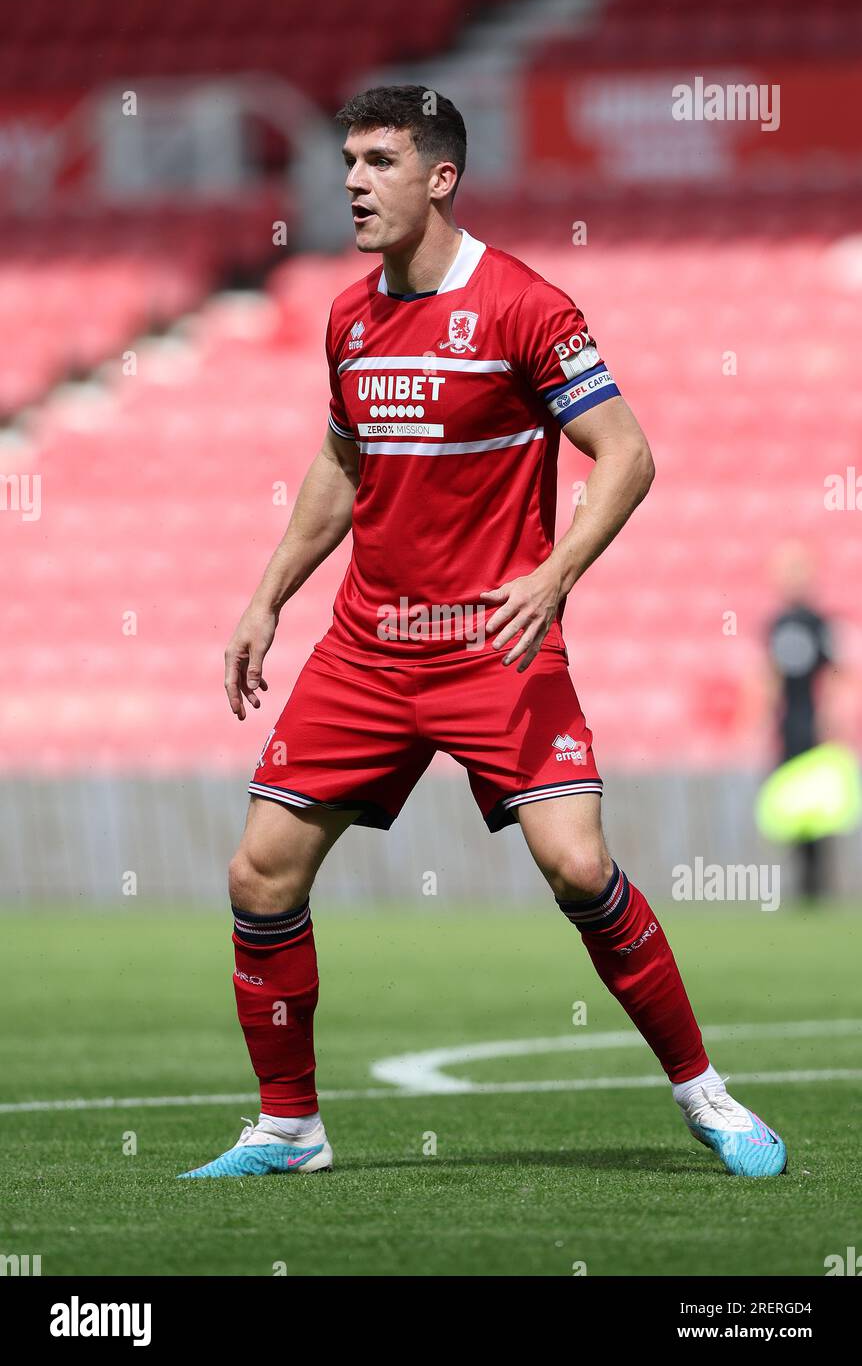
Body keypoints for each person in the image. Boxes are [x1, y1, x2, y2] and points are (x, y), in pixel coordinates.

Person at [179, 86, 786, 1180]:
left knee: (577, 865)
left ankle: (707, 1098)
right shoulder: (347, 315)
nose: (353, 182)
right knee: (259, 875)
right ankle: (287, 1128)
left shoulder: (523, 307)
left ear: (440, 177)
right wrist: (268, 594)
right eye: (347, 161)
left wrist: (554, 575)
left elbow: (628, 454)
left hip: (492, 642)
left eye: (377, 162)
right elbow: (340, 462)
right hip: (367, 645)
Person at [766, 542, 835, 899]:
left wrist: (832, 719)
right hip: (788, 725)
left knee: (818, 807)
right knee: (792, 804)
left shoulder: (818, 622)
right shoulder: (776, 624)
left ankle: (818, 882)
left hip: (814, 724)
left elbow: (834, 673)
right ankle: (801, 882)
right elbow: (771, 675)